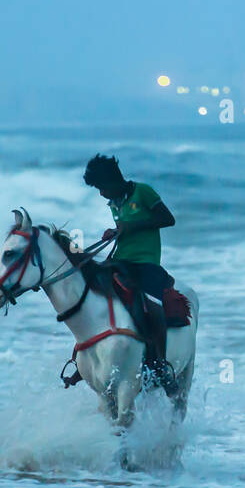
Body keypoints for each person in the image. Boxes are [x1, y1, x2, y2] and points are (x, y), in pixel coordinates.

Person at [82, 154, 177, 382]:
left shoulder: (142, 192)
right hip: (121, 260)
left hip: (146, 262)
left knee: (151, 306)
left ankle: (159, 363)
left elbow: (168, 219)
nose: (101, 193)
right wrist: (115, 231)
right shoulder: (115, 203)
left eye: (101, 188)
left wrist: (130, 227)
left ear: (112, 181)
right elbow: (125, 229)